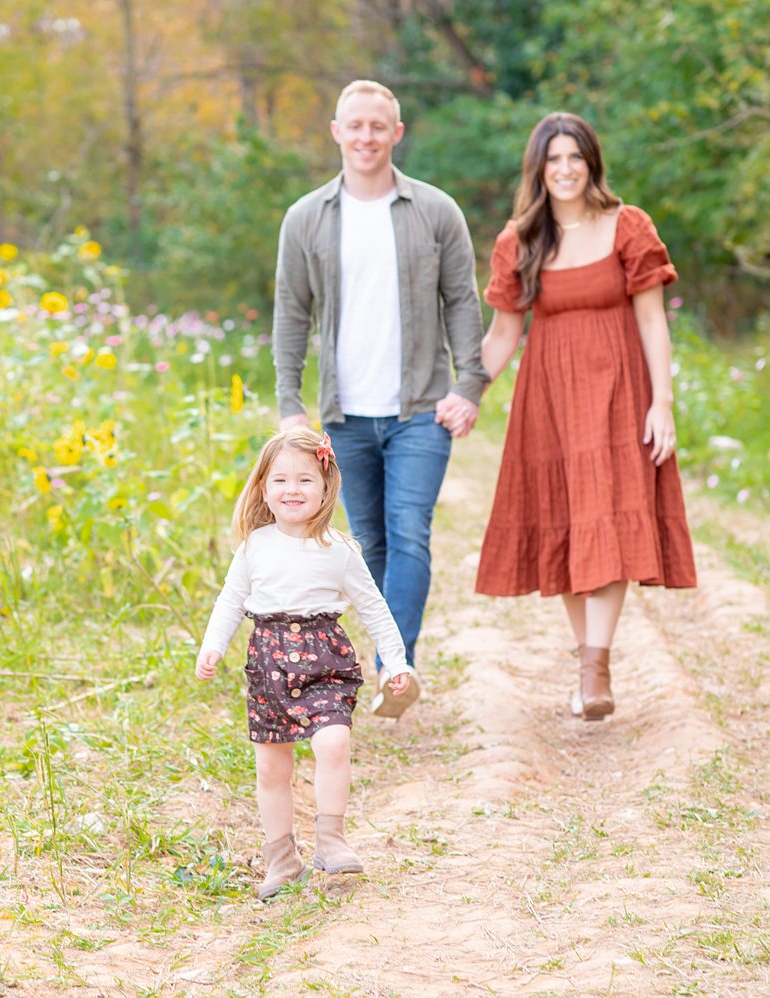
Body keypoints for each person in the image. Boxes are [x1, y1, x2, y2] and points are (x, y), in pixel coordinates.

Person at [272, 79, 489, 719]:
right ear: (336, 131)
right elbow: (290, 311)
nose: (366, 136)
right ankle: (391, 662)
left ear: (396, 134)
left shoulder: (435, 212)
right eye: (355, 125)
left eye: (379, 126)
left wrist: (467, 385)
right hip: (343, 416)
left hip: (421, 407)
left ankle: (396, 667)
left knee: (410, 533)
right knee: (368, 543)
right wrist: (290, 401)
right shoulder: (307, 217)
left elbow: (464, 302)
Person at [476, 112, 697, 719]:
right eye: (555, 160)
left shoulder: (628, 226)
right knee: (567, 526)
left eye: (576, 157)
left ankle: (595, 668)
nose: (566, 169)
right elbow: (502, 335)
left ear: (591, 163)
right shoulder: (519, 241)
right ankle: (588, 662)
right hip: (548, 399)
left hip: (620, 394)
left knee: (613, 521)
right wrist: (465, 393)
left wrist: (662, 403)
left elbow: (653, 321)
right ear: (539, 170)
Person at [196, 427, 411, 900]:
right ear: (263, 490)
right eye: (280, 481)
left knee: (334, 742)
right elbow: (231, 601)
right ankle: (281, 858)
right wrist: (212, 645)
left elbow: (375, 608)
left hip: (325, 661)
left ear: (326, 485)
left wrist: (396, 661)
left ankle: (331, 839)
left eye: (305, 480)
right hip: (268, 666)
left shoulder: (340, 550)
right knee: (272, 768)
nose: (293, 490)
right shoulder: (255, 546)